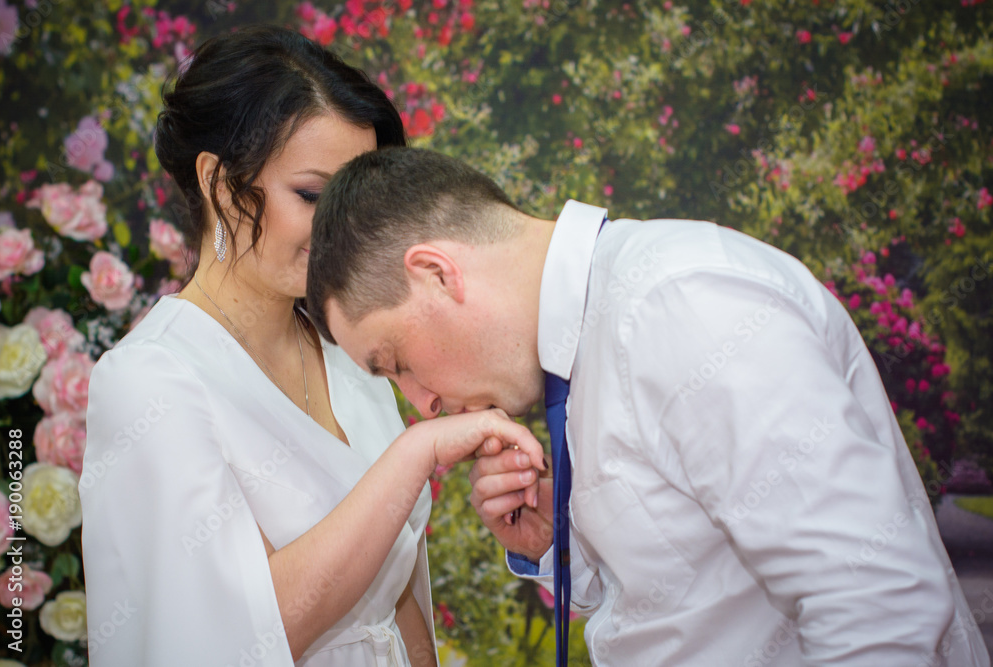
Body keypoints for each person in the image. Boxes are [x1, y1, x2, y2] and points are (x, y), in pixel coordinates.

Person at [305, 146, 991, 666]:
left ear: (435, 272)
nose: (423, 404)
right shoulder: (588, 344)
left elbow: (879, 602)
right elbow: (688, 606)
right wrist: (557, 541)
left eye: (395, 362)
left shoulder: (678, 306)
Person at [80, 28, 545, 667]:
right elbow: (222, 640)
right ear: (218, 184)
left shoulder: (349, 355)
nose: (342, 233)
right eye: (314, 197)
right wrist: (415, 453)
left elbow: (398, 591)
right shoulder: (150, 383)